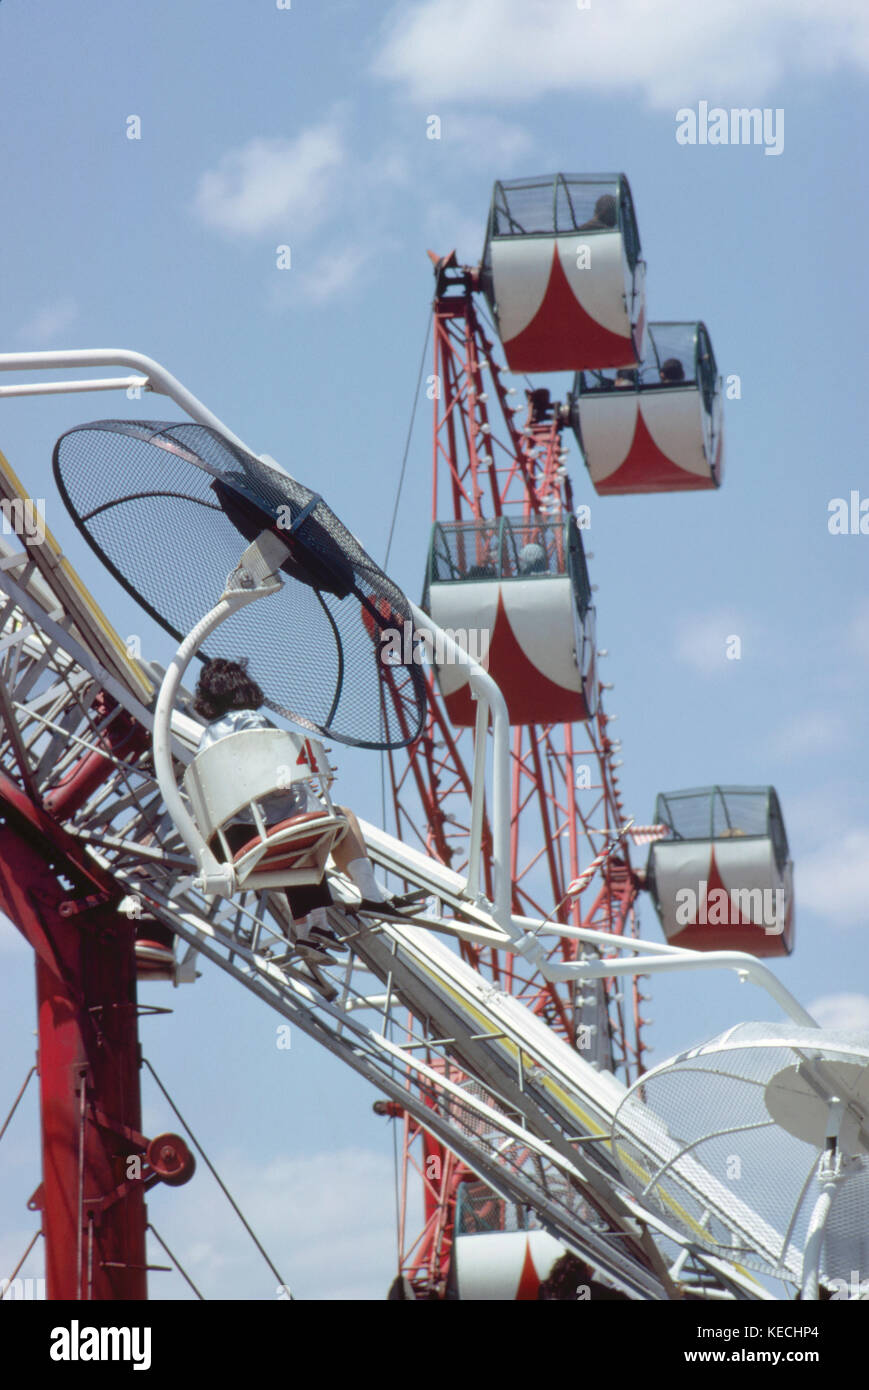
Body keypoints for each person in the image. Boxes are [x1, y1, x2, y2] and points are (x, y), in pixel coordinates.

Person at [193, 658, 425, 956]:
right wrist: (304, 775)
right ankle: (372, 896)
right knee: (340, 819)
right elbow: (270, 777)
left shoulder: (206, 739)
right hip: (259, 830)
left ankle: (312, 929)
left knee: (297, 845)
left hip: (226, 843)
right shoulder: (250, 721)